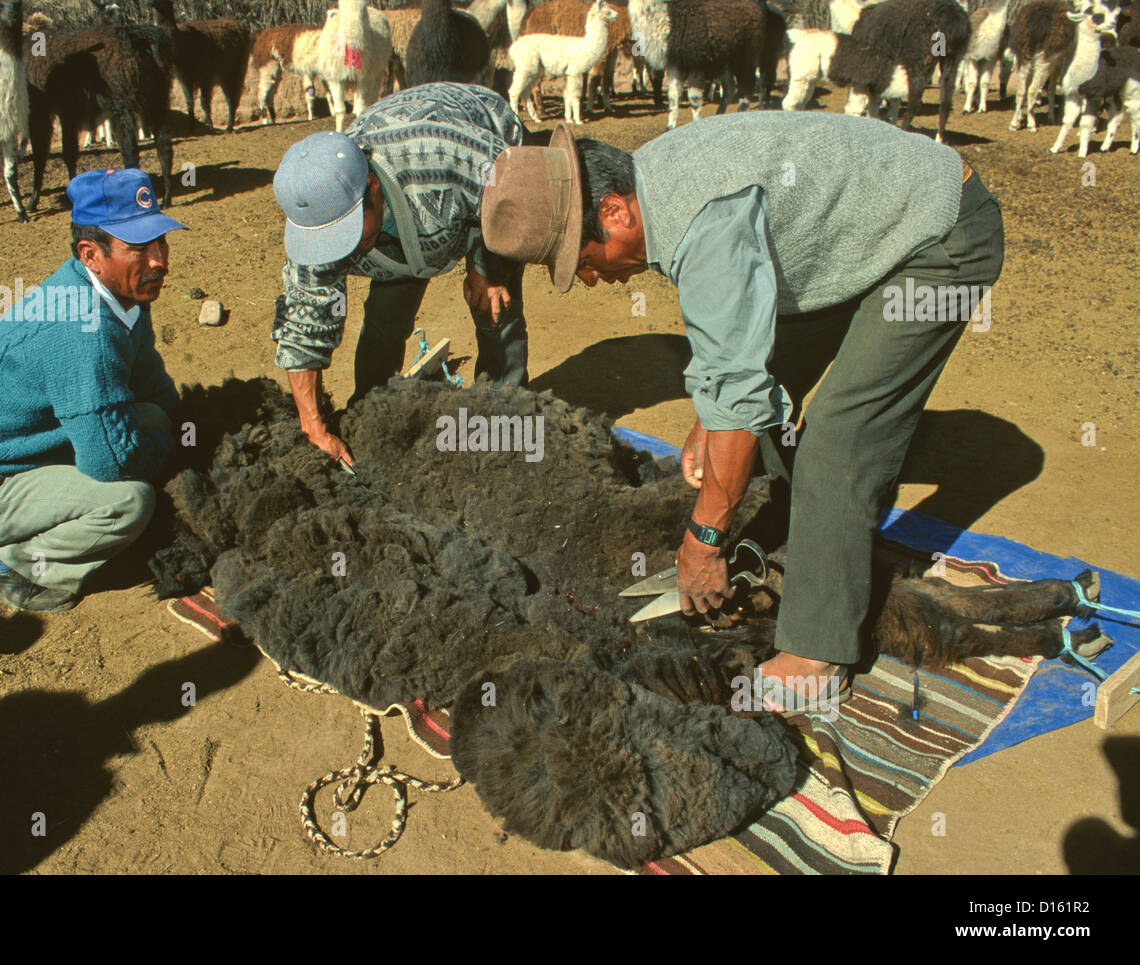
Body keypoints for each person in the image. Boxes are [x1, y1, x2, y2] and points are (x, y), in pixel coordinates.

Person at [480, 115, 1004, 711]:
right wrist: (712, 418)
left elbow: (732, 340)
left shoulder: (707, 226)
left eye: (584, 258)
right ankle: (802, 537)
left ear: (617, 212)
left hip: (941, 235)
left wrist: (703, 542)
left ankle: (817, 648)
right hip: (855, 237)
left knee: (841, 437)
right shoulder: (655, 181)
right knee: (757, 399)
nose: (594, 279)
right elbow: (733, 346)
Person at [0, 168, 187, 612]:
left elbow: (152, 387)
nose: (159, 260)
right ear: (90, 254)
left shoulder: (124, 295)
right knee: (128, 502)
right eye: (139, 249)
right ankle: (7, 562)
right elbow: (109, 463)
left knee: (157, 420)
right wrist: (175, 485)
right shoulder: (81, 329)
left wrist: (188, 443)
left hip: (28, 448)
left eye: (161, 241)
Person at [271, 82, 535, 466]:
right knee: (385, 318)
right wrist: (314, 427)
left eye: (345, 232)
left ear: (372, 187)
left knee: (494, 304)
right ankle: (371, 413)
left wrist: (488, 266)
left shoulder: (444, 153)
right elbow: (303, 326)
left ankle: (504, 414)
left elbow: (510, 191)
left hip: (481, 166)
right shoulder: (318, 211)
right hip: (408, 221)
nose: (339, 250)